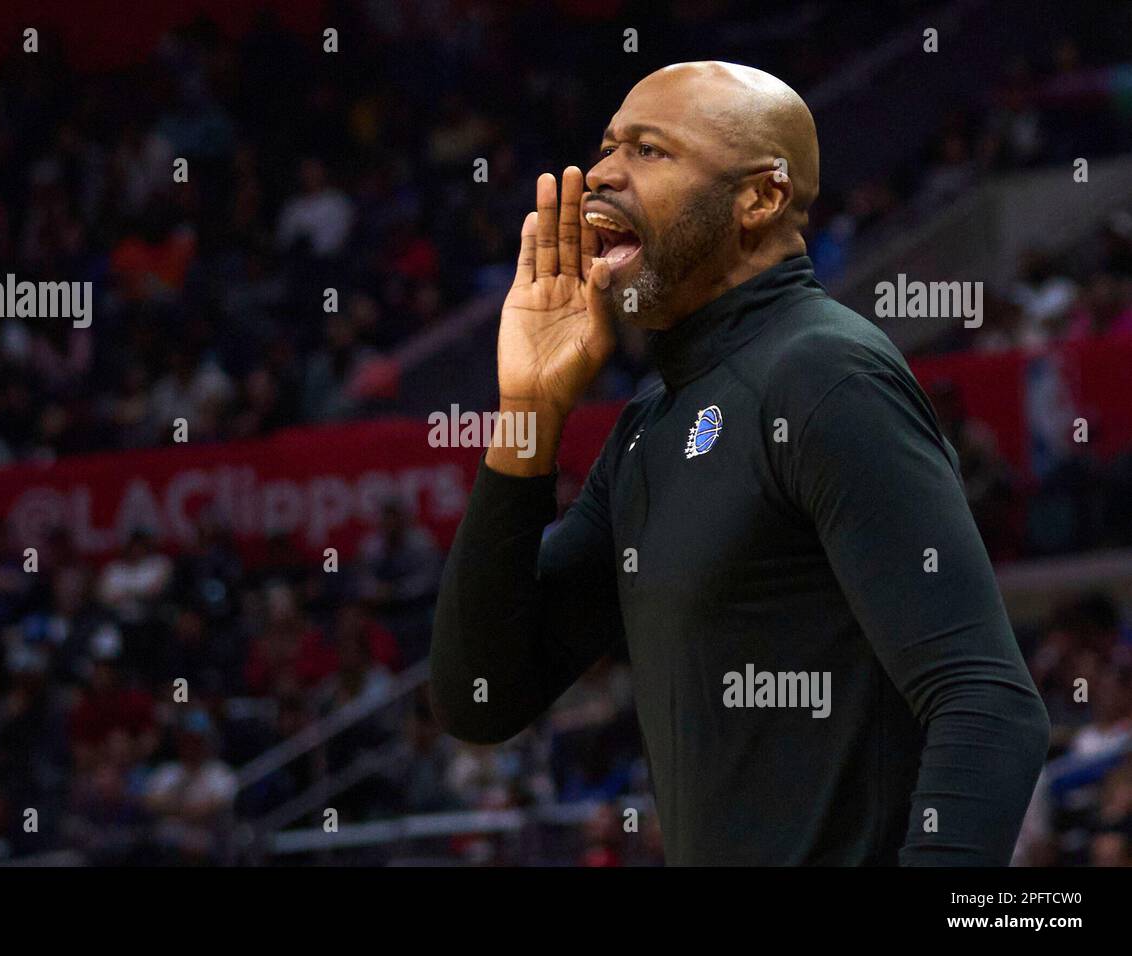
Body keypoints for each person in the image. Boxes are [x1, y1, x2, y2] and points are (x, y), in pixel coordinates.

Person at [430, 61, 1050, 865]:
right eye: (607, 146)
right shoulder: (649, 427)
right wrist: (529, 414)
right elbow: (480, 696)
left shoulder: (823, 373)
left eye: (649, 151)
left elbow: (988, 705)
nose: (602, 174)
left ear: (759, 198)